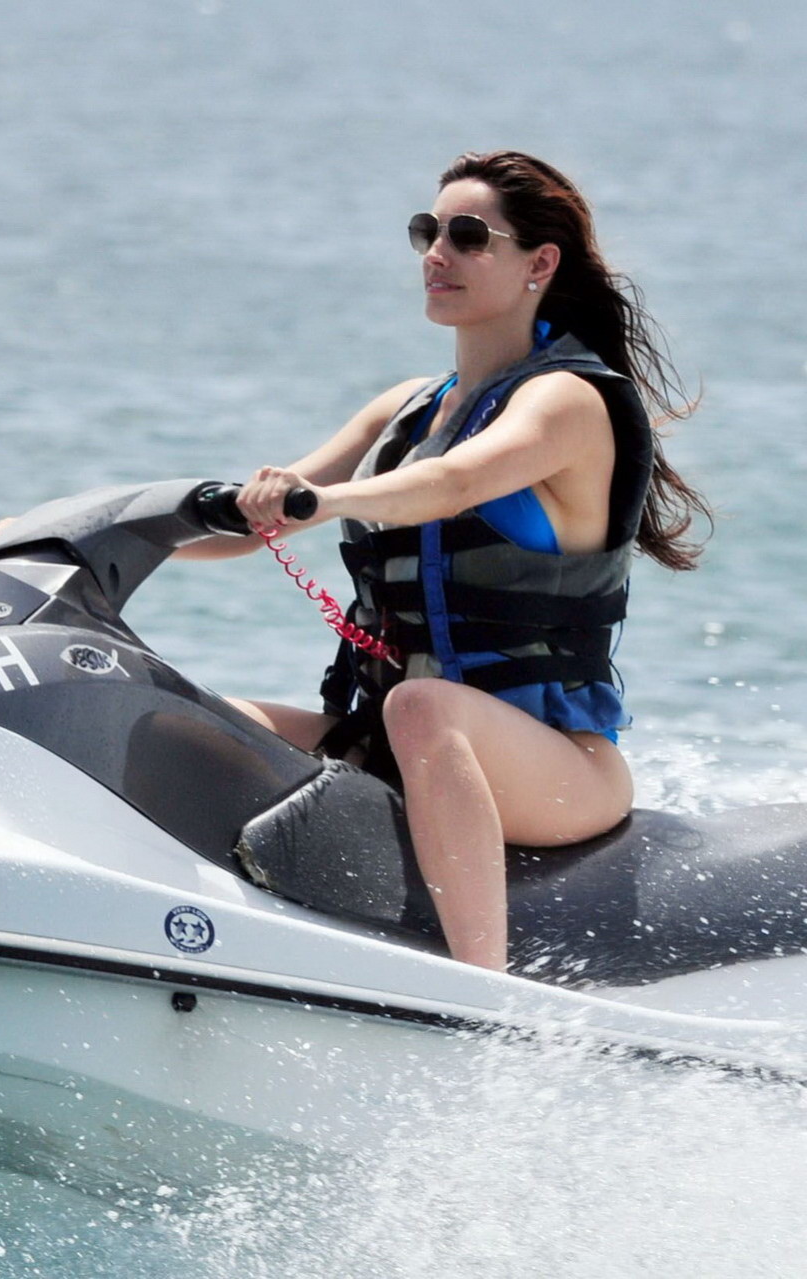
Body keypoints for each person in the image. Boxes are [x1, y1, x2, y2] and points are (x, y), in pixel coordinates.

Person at [180, 150, 710, 972]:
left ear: (538, 264)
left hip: (557, 763)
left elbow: (454, 481)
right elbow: (249, 528)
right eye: (429, 231)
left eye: (468, 236)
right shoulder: (408, 406)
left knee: (425, 704)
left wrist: (329, 500)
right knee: (184, 718)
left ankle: (482, 993)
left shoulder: (568, 400)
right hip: (389, 737)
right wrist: (90, 541)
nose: (438, 253)